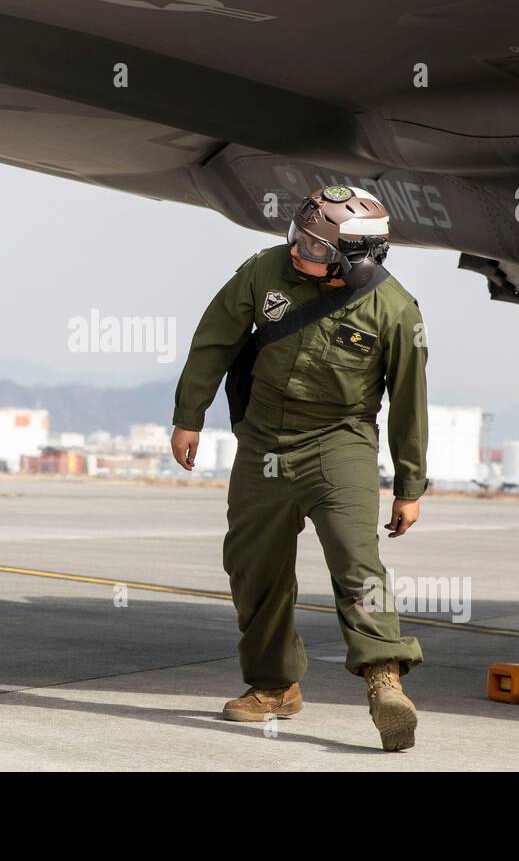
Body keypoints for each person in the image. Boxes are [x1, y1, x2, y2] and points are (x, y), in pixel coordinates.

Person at [170, 184, 429, 751]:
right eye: (298, 239)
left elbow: (410, 403)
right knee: (252, 566)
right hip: (262, 442)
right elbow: (214, 339)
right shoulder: (264, 271)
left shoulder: (395, 312)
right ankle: (273, 685)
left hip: (341, 443)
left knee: (358, 564)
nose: (296, 253)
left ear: (357, 258)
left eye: (314, 247)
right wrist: (189, 415)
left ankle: (384, 679)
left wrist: (410, 487)